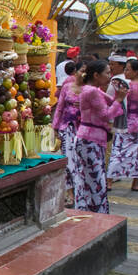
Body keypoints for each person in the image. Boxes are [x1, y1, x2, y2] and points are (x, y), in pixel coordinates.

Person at [70, 60, 126, 215]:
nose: (110, 76)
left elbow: (110, 104)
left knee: (88, 179)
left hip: (91, 139)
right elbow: (106, 115)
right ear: (96, 75)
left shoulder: (93, 90)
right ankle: (95, 214)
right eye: (107, 73)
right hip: (90, 140)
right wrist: (119, 100)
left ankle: (85, 211)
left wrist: (118, 94)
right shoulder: (92, 91)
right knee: (95, 181)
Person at [106, 59, 138, 191]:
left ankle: (109, 181)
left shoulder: (125, 86)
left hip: (125, 121)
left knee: (118, 151)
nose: (125, 72)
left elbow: (116, 102)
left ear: (136, 71)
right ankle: (135, 183)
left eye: (128, 69)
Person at [53, 58, 85, 199]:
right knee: (68, 160)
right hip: (66, 128)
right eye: (82, 71)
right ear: (75, 72)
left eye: (86, 72)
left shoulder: (91, 90)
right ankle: (70, 192)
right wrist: (55, 127)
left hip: (83, 130)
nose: (84, 74)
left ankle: (80, 191)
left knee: (80, 161)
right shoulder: (66, 87)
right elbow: (59, 108)